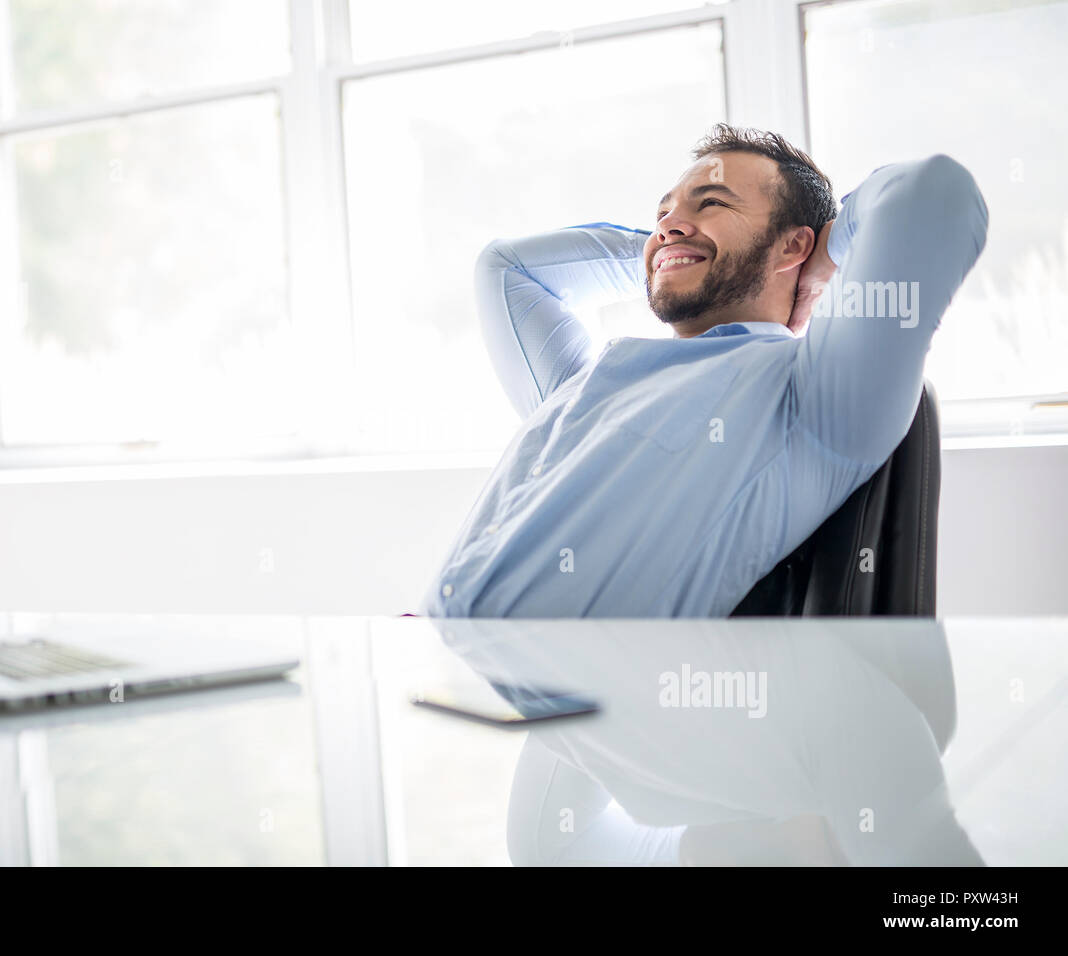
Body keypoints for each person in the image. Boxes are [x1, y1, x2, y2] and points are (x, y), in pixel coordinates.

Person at [420, 123, 988, 618]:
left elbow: (935, 195)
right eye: (663, 210)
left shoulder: (806, 392)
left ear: (794, 243)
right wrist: (671, 251)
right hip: (420, 663)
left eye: (712, 202)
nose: (668, 222)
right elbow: (506, 269)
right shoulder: (579, 385)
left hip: (545, 709)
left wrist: (823, 257)